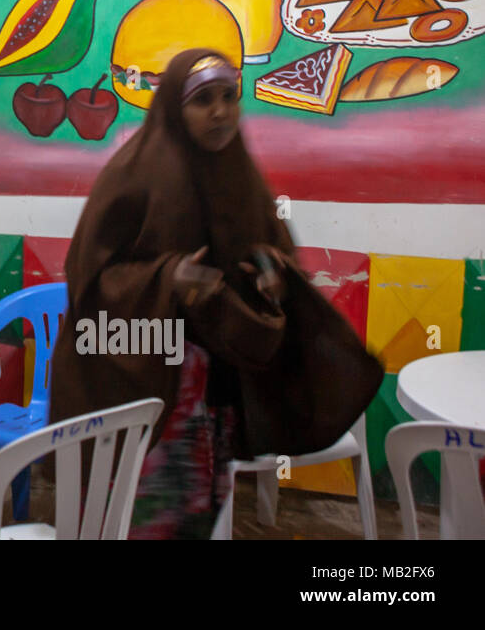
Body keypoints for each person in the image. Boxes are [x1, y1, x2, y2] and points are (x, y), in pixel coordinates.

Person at [48, 48, 381, 539]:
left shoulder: (239, 175)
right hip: (141, 376)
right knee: (140, 517)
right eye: (204, 100)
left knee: (200, 511)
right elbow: (90, 277)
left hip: (217, 387)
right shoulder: (134, 174)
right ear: (174, 109)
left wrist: (271, 274)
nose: (222, 112)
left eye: (230, 97)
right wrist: (168, 279)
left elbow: (272, 248)